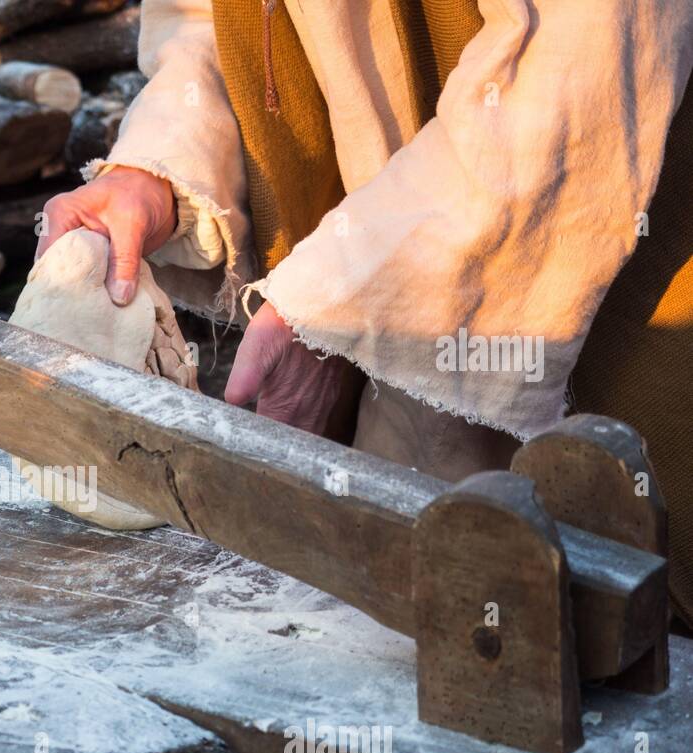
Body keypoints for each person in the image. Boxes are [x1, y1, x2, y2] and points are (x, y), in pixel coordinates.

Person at [37, 0, 693, 623]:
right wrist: (156, 172)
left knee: (611, 598)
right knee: (405, 605)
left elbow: (578, 72)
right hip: (370, 253)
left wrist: (340, 301)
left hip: (592, 255)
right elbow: (224, 24)